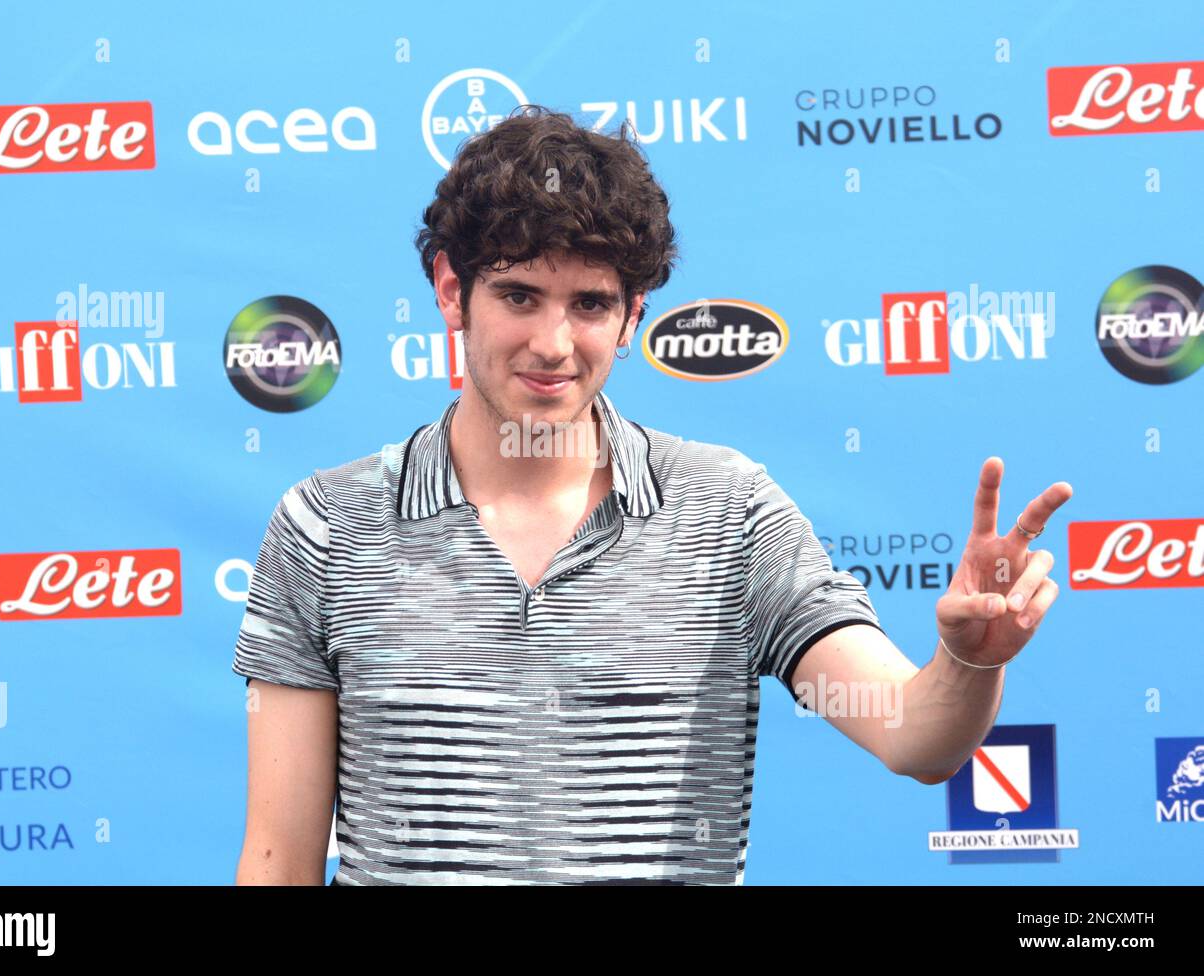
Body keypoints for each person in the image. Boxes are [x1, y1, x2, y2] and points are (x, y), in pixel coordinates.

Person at [231, 105, 1073, 885]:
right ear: (453, 290)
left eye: (590, 304)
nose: (554, 343)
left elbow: (914, 737)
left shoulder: (729, 512)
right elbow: (277, 858)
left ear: (633, 316)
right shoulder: (327, 528)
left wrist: (968, 662)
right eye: (519, 295)